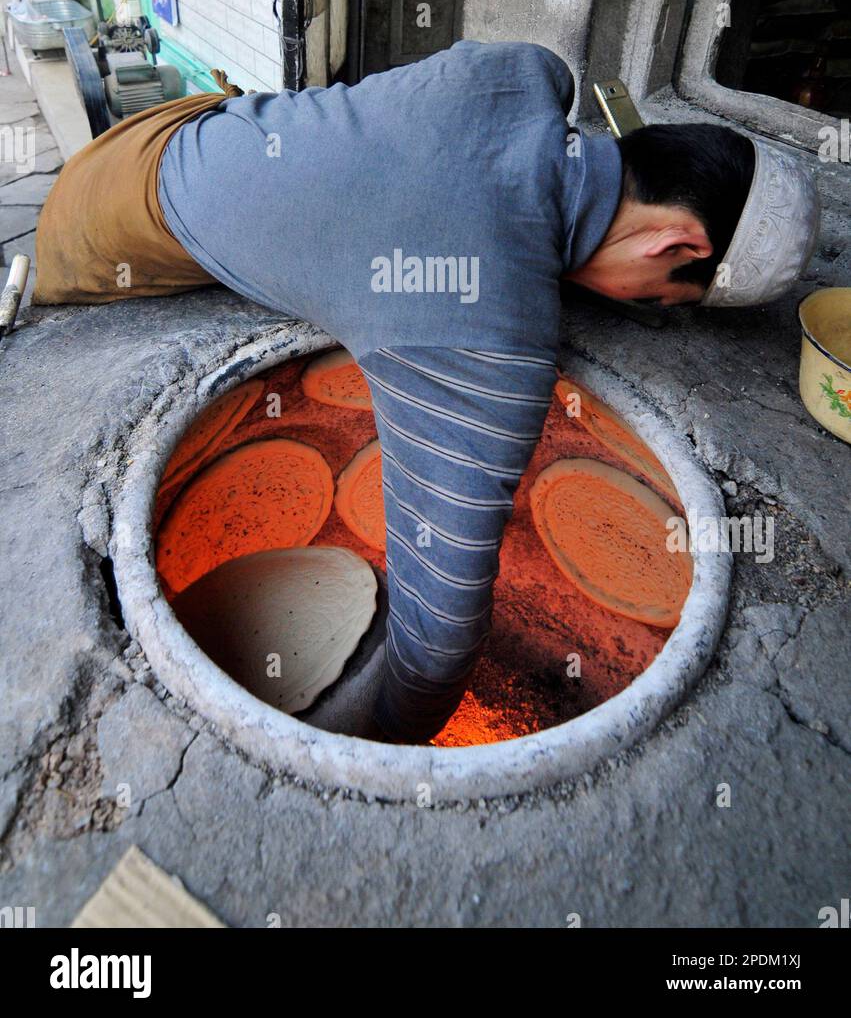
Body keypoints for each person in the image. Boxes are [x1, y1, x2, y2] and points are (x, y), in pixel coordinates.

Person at [32, 39, 821, 743]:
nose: (635, 307)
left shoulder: (523, 74)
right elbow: (437, 635)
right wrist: (376, 746)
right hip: (107, 224)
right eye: (655, 296)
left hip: (182, 125)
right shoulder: (483, 338)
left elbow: (474, 190)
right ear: (677, 243)